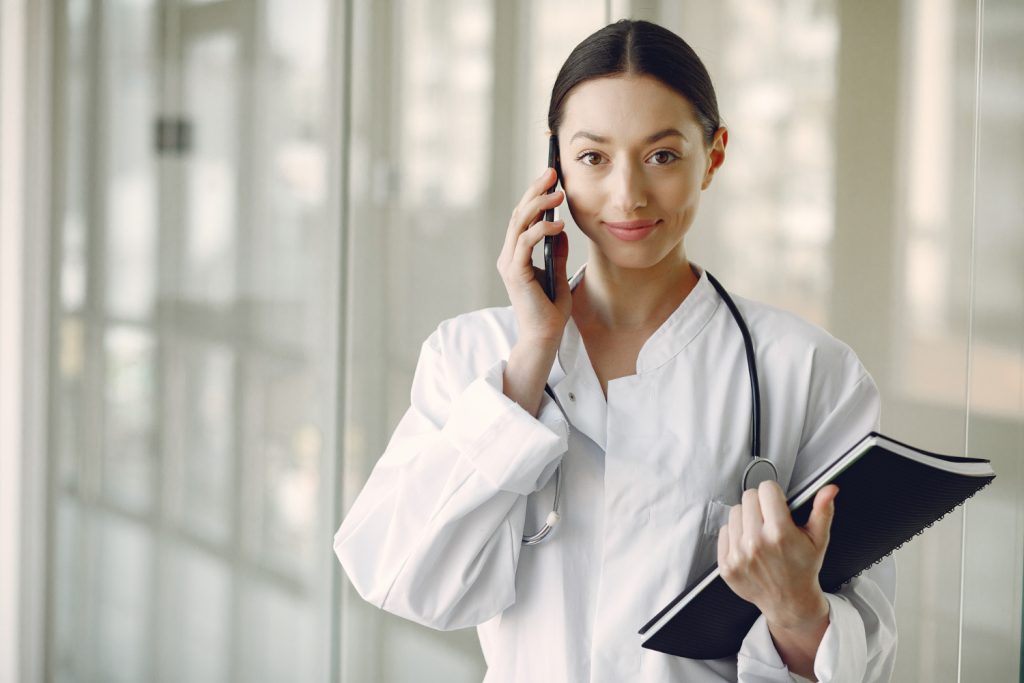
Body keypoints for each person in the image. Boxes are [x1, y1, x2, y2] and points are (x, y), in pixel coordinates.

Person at [335, 19, 897, 683]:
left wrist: (797, 608)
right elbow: (404, 576)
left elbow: (866, 659)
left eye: (662, 155)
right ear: (555, 165)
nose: (627, 194)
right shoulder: (473, 354)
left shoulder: (806, 370)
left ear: (713, 155)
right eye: (594, 157)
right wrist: (531, 358)